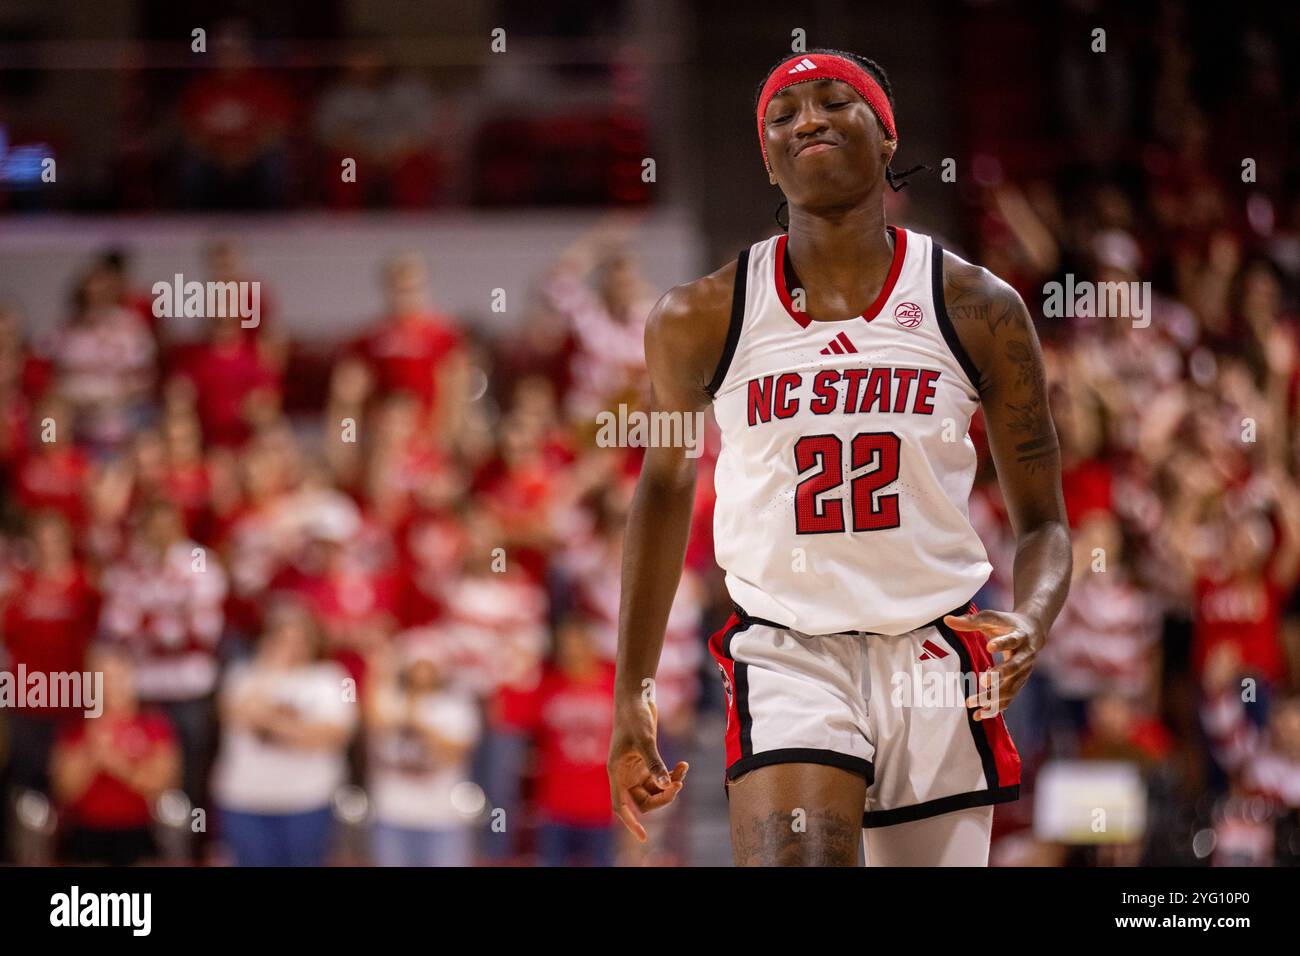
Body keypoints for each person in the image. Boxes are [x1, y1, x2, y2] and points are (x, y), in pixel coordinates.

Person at [608, 49, 1072, 866]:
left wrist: (1031, 620)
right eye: (783, 115)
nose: (808, 120)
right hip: (787, 648)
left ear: (888, 137)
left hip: (935, 650)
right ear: (767, 159)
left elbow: (1046, 526)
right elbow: (663, 490)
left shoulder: (977, 306)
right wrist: (633, 693)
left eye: (832, 102)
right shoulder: (698, 315)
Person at [209, 600, 357, 867]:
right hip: (244, 800)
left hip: (307, 800)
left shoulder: (331, 678)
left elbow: (331, 736)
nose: (291, 646)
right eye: (281, 638)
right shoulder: (243, 674)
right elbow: (235, 714)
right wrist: (270, 672)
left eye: (299, 638)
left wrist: (269, 722)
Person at [50, 645, 180, 865]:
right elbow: (65, 789)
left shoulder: (154, 726)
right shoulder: (77, 729)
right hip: (85, 834)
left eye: (119, 676)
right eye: (104, 678)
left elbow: (162, 784)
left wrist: (115, 762)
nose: (112, 686)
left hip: (138, 833)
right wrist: (92, 752)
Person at [365, 634, 480, 867]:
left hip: (442, 818)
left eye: (428, 666)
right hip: (393, 814)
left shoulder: (456, 706)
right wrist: (381, 671)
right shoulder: (391, 700)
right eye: (416, 666)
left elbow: (457, 752)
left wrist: (419, 724)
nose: (422, 673)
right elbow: (372, 722)